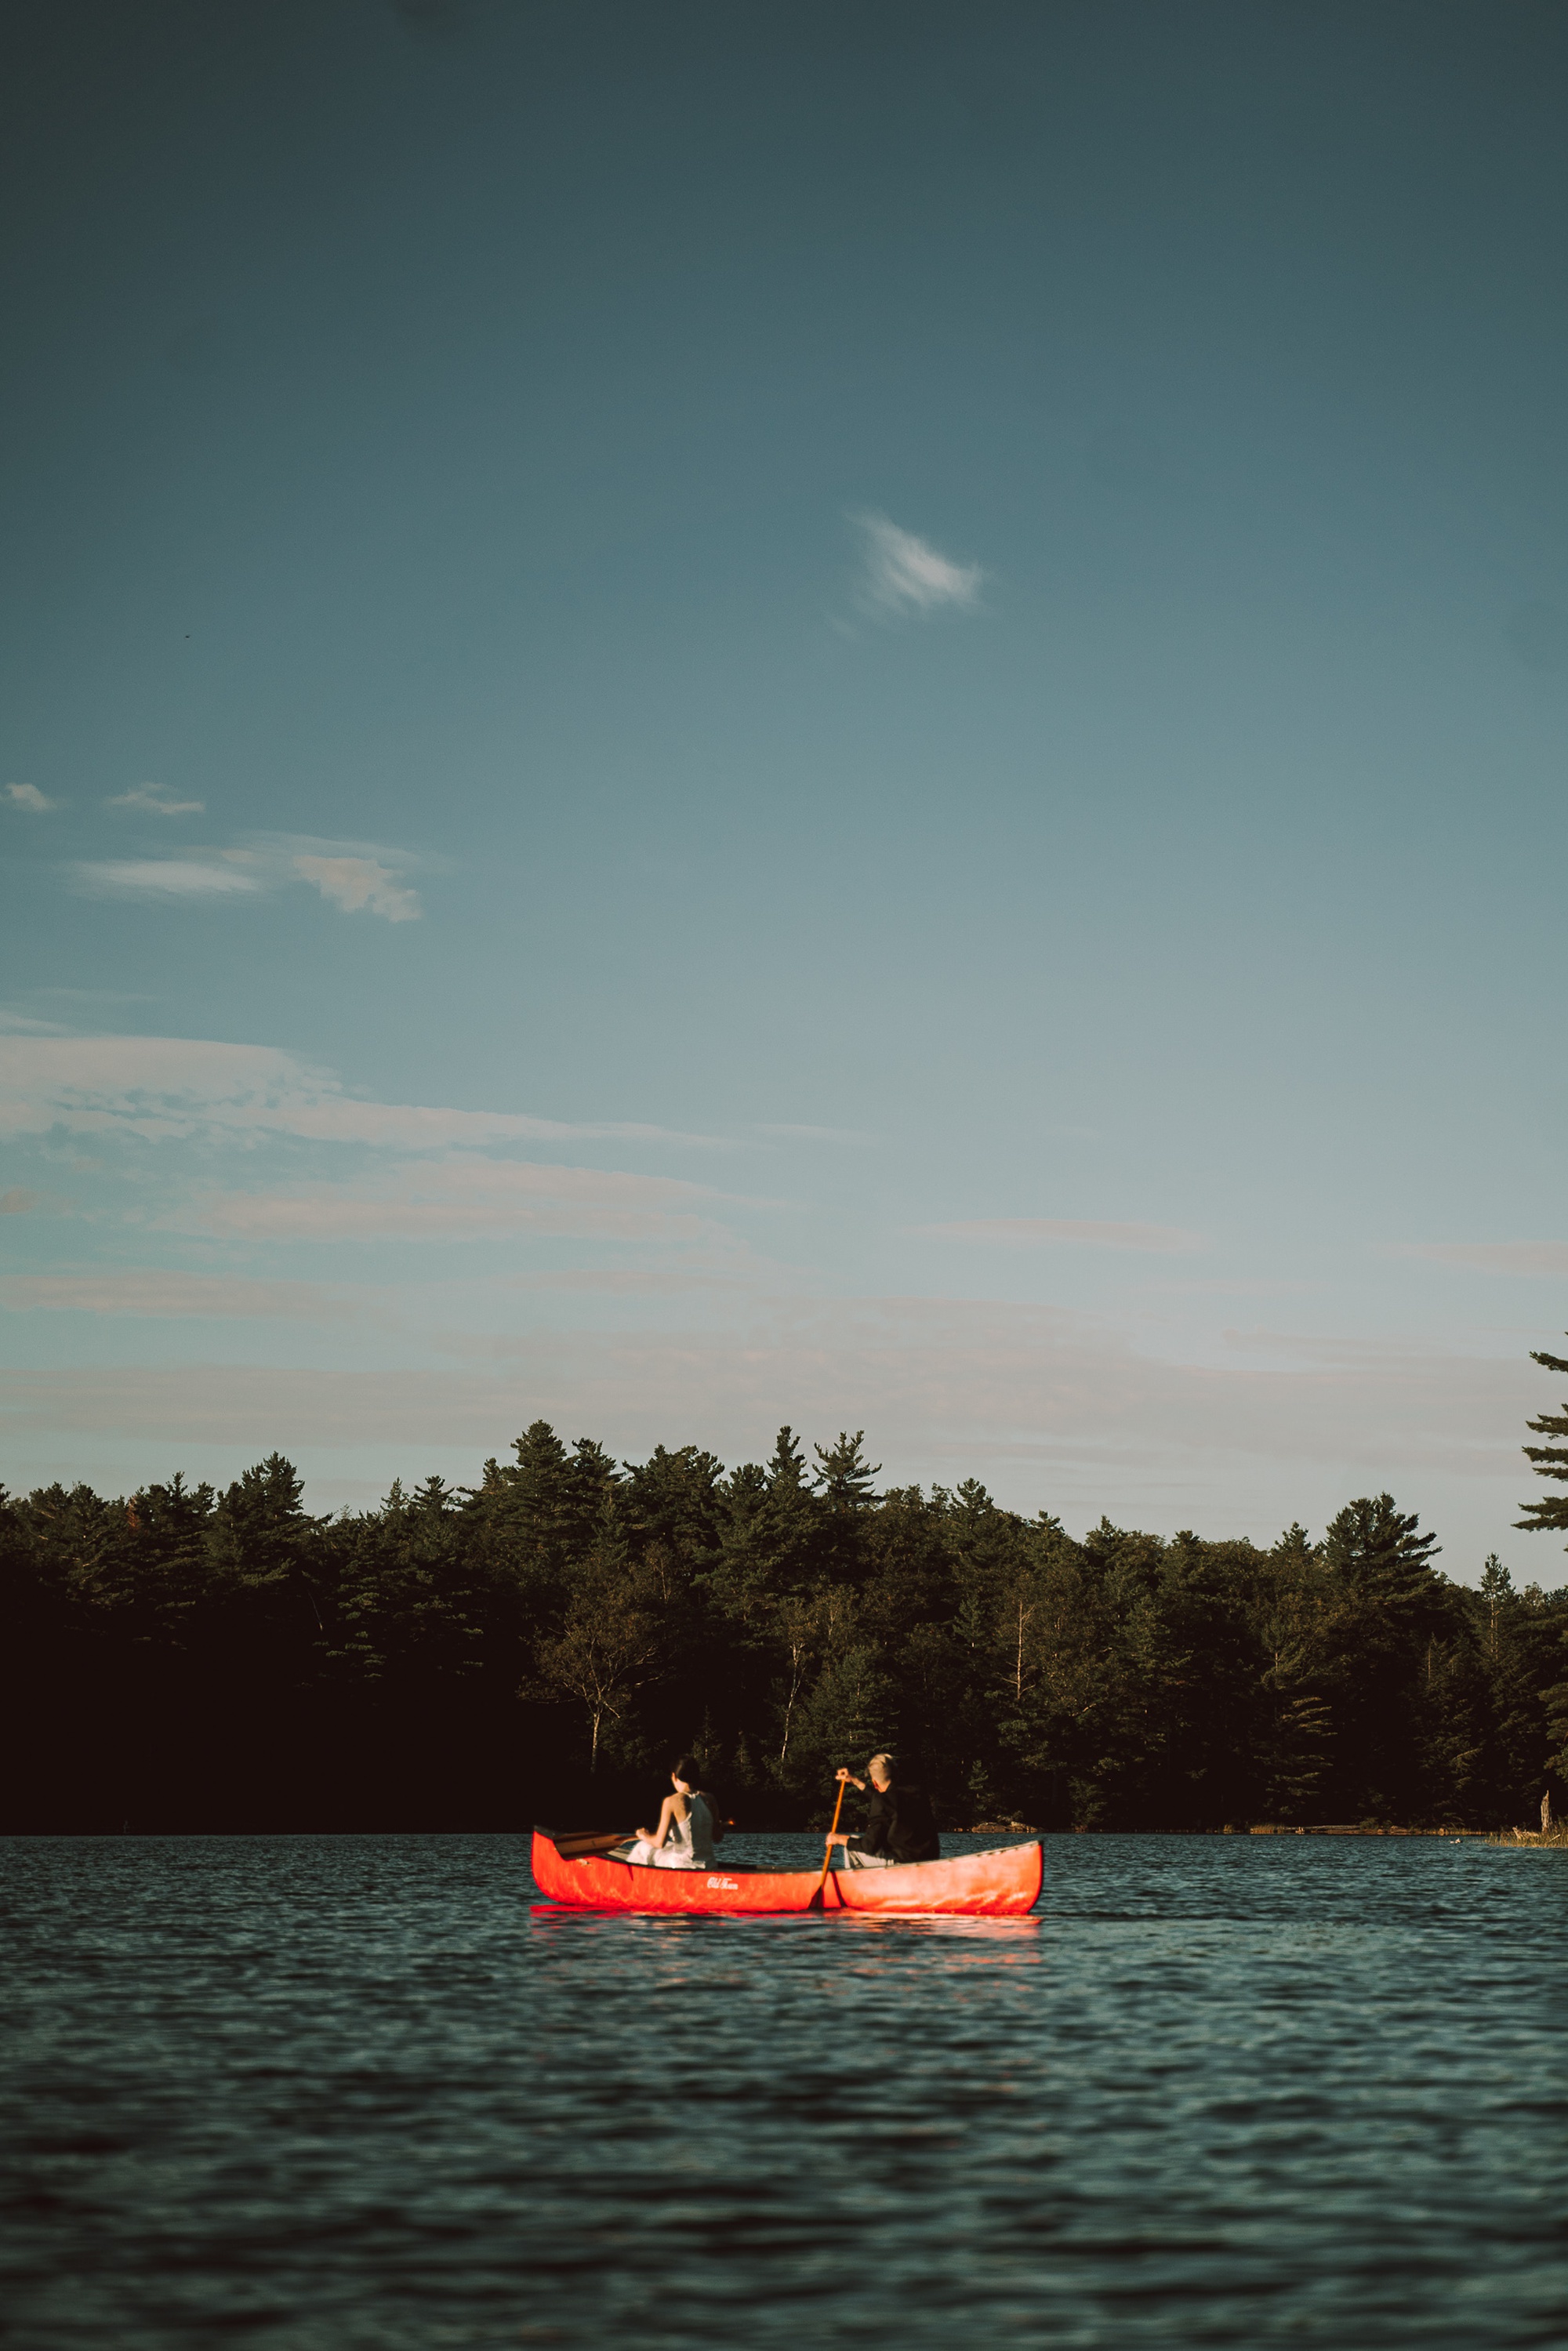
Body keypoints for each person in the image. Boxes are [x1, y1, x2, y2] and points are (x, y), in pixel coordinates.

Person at [829, 1753, 940, 1868]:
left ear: (874, 1783)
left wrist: (841, 1839)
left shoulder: (883, 1801)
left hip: (902, 1864)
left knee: (852, 1847)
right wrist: (856, 1781)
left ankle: (863, 1884)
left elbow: (869, 1846)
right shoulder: (918, 1792)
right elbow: (882, 1800)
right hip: (929, 1861)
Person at [622, 1758, 717, 1869]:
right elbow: (717, 1837)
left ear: (674, 1776)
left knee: (642, 1846)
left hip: (683, 1865)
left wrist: (642, 1835)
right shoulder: (710, 1799)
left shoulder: (671, 1801)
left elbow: (659, 1843)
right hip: (710, 1865)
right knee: (669, 1846)